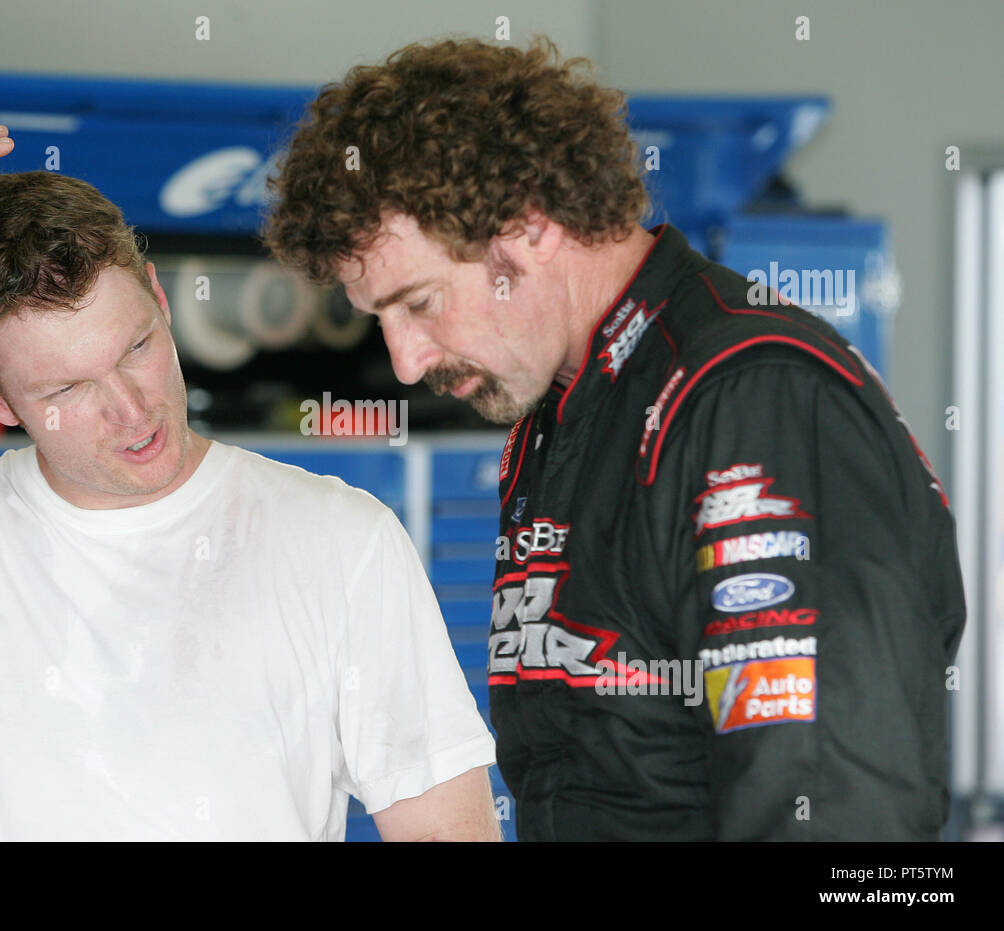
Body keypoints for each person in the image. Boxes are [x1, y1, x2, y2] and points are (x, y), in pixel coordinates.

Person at [0, 127, 499, 841]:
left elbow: (446, 829)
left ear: (158, 296)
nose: (131, 409)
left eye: (136, 347)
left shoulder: (342, 539)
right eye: (66, 390)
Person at [262, 36, 967, 840]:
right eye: (379, 320)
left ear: (528, 221)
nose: (404, 359)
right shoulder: (558, 419)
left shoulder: (753, 398)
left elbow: (841, 819)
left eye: (419, 303)